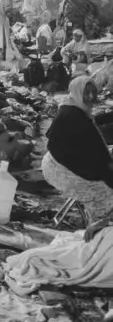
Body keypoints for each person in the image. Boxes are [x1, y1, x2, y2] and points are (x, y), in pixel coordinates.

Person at [42, 77, 113, 225]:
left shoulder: (74, 108)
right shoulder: (71, 116)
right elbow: (87, 161)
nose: (92, 97)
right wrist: (105, 175)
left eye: (94, 92)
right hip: (61, 171)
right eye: (86, 93)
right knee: (106, 195)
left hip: (60, 163)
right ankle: (99, 233)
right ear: (76, 93)